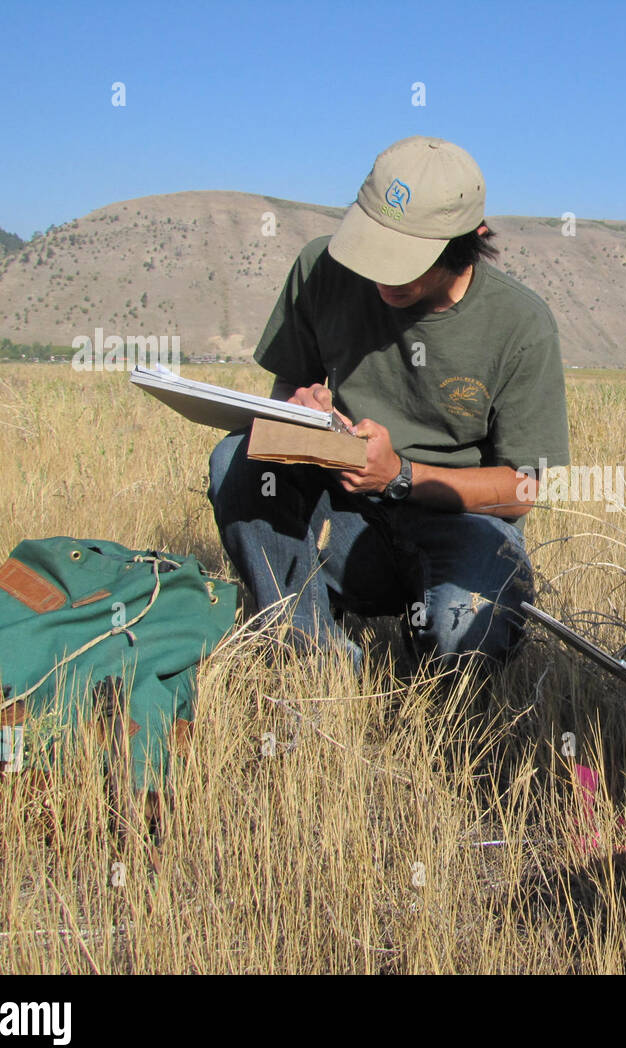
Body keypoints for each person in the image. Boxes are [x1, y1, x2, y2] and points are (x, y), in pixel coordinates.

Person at [209, 136, 570, 672]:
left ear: (471, 241)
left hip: (461, 523)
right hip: (346, 514)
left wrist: (399, 474)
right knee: (238, 458)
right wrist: (302, 409)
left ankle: (428, 643)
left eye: (406, 261)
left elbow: (523, 489)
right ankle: (314, 660)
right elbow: (287, 389)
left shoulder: (521, 323)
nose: (383, 277)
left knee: (460, 641)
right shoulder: (321, 269)